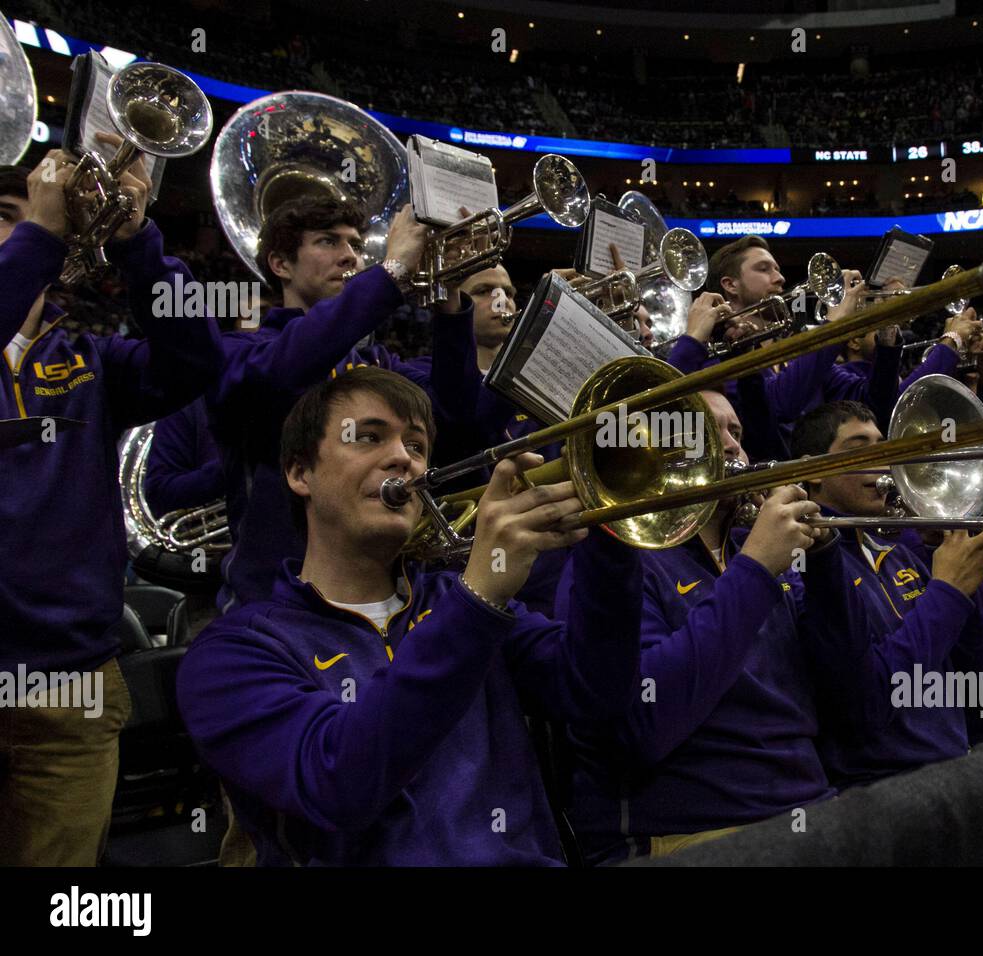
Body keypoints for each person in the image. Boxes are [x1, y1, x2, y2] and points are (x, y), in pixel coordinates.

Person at [177, 367, 644, 865]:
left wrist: (611, 530)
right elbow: (337, 784)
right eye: (369, 437)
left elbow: (596, 692)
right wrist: (479, 596)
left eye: (417, 446)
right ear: (299, 472)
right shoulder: (232, 653)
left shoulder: (448, 599)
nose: (404, 458)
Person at [0, 152, 223, 865]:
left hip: (72, 682)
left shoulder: (89, 357)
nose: (17, 232)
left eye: (9, 219)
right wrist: (38, 232)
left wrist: (137, 241)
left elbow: (197, 358)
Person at [555, 389, 847, 862]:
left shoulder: (769, 556)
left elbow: (855, 704)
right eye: (710, 432)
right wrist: (753, 570)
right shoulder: (621, 566)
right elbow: (640, 728)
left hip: (812, 809)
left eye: (738, 432)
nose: (731, 445)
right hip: (691, 834)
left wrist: (827, 562)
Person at [207, 196, 479, 609]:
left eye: (354, 244)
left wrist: (450, 297)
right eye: (328, 242)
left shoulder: (376, 363)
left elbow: (456, 419)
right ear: (281, 265)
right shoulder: (242, 351)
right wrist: (391, 274)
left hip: (386, 597)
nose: (350, 255)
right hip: (272, 604)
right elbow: (287, 370)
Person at [791, 400, 983, 782]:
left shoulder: (900, 551)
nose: (885, 460)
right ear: (813, 471)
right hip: (886, 792)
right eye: (861, 449)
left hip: (958, 766)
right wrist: (948, 592)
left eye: (884, 446)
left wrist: (967, 584)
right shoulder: (801, 565)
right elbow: (868, 704)